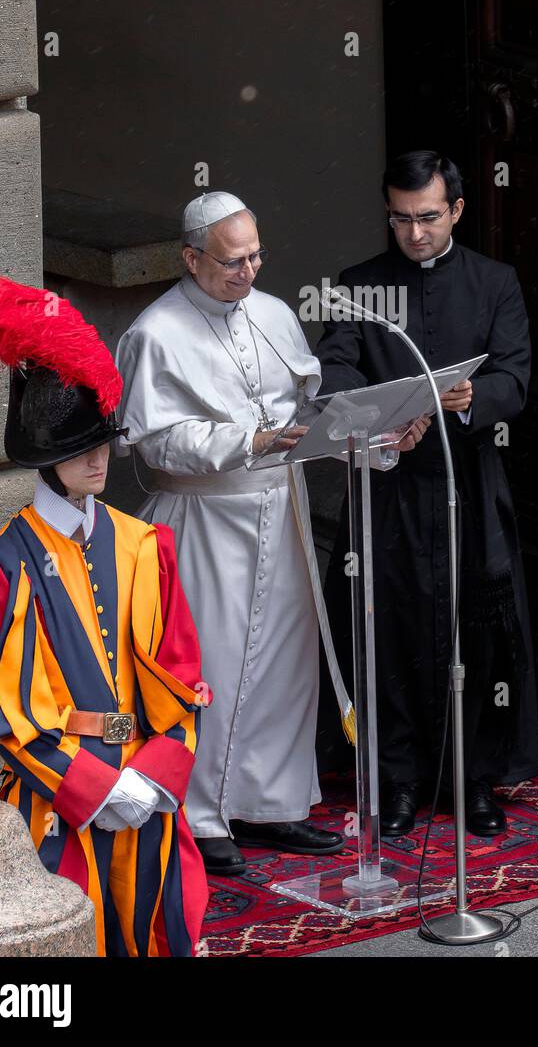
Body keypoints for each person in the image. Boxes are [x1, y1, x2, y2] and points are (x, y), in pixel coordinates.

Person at [115, 192, 424, 877]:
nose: (249, 272)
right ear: (191, 257)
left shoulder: (275, 314)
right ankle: (199, 816)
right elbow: (157, 444)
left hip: (276, 512)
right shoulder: (155, 334)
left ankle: (273, 804)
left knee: (286, 665)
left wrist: (376, 434)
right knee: (210, 671)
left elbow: (307, 419)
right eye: (232, 261)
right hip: (204, 519)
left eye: (256, 255)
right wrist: (248, 437)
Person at [0, 277, 209, 957]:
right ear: (43, 459)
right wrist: (96, 788)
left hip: (147, 793)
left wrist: (154, 774)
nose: (98, 457)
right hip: (51, 809)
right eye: (78, 447)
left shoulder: (146, 545)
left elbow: (185, 681)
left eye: (104, 440)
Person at [317, 151, 538, 837]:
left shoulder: (494, 281)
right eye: (401, 219)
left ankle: (472, 782)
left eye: (428, 218)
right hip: (389, 487)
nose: (414, 234)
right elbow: (333, 375)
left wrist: (474, 397)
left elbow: (515, 377)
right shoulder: (359, 287)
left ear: (457, 210)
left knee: (471, 632)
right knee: (390, 630)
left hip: (466, 482)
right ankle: (401, 781)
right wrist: (377, 423)